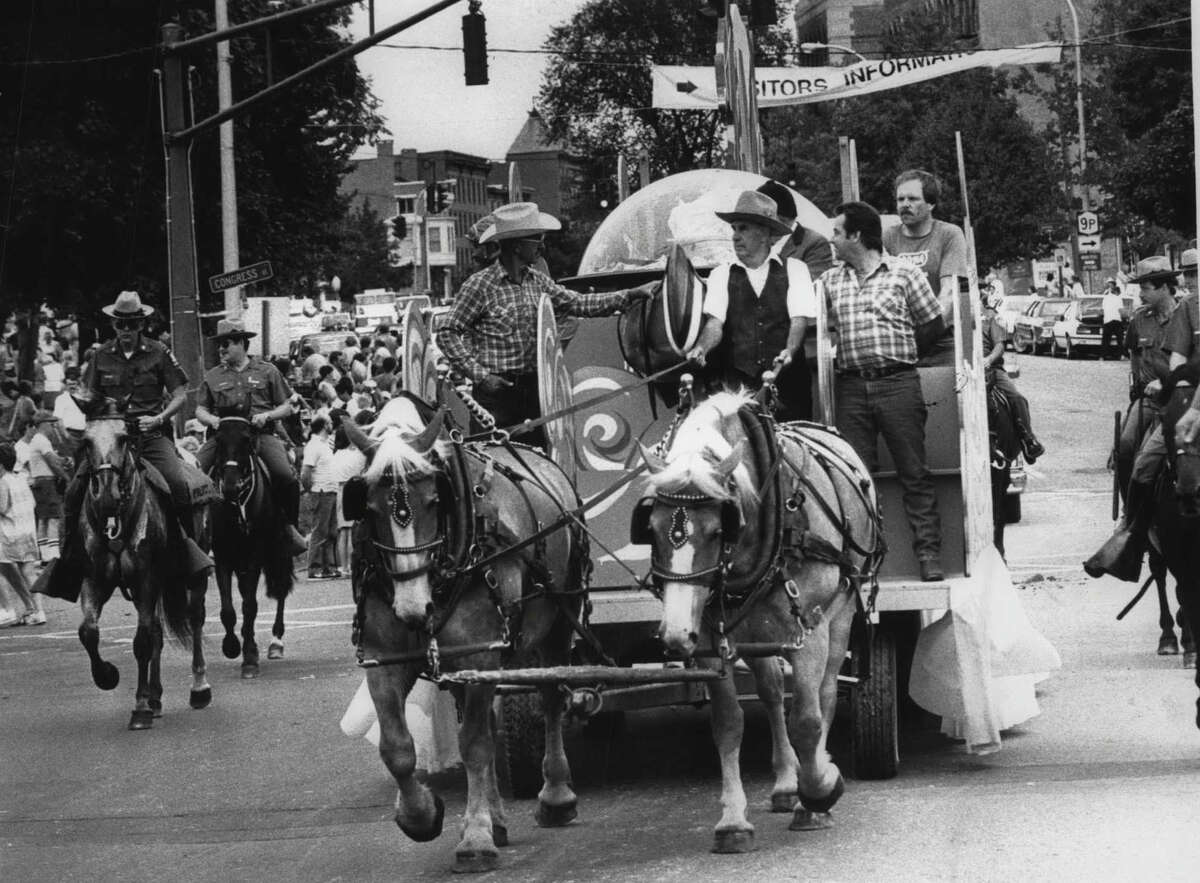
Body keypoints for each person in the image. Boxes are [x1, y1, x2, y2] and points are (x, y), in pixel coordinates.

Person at [38, 291, 210, 601]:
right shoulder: (101, 355)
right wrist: (89, 411)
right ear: (114, 326)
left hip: (150, 435)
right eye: (120, 325)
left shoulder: (159, 352)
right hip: (109, 437)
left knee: (177, 486)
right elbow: (89, 395)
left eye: (131, 324)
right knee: (74, 491)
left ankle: (185, 554)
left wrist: (158, 418)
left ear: (141, 324)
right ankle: (67, 564)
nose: (126, 331)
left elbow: (181, 393)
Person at [437, 201, 653, 447]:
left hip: (535, 390)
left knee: (540, 464)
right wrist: (481, 376)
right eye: (537, 239)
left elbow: (579, 303)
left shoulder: (537, 281)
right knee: (492, 463)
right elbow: (447, 332)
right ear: (518, 246)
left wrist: (630, 295)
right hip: (496, 396)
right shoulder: (480, 285)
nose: (542, 245)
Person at [822, 201, 947, 582]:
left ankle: (928, 554)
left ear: (857, 235)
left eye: (837, 233)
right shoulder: (830, 281)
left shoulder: (905, 275)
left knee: (914, 472)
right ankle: (863, 559)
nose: (832, 240)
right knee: (854, 478)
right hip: (851, 388)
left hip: (898, 384)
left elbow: (932, 326)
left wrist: (900, 360)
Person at [1084, 257, 1180, 582]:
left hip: (1182, 397)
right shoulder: (1139, 320)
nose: (1139, 294)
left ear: (1166, 286)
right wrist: (1138, 395)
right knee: (1126, 450)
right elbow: (1132, 361)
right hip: (1149, 401)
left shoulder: (1186, 315)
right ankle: (1131, 523)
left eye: (1146, 287)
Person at [685, 189, 818, 420]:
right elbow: (715, 323)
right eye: (734, 229)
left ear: (766, 233)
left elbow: (799, 320)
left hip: (789, 388)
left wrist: (789, 350)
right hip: (737, 388)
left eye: (743, 228)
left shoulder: (796, 269)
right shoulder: (721, 274)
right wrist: (701, 348)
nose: (735, 236)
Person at [194, 319, 308, 556]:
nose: (221, 349)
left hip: (259, 436)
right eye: (219, 345)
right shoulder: (212, 375)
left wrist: (267, 416)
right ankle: (195, 537)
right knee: (193, 476)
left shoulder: (267, 370)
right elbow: (200, 410)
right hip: (223, 438)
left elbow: (287, 406)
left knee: (286, 476)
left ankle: (289, 531)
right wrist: (211, 420)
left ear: (241, 343)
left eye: (226, 344)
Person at [882, 169, 968, 366]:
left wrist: (926, 332)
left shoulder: (949, 235)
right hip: (898, 337)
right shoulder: (887, 237)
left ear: (931, 203)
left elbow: (949, 293)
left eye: (913, 199)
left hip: (940, 338)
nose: (905, 205)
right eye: (900, 199)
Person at [981, 297, 1044, 462]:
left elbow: (1000, 345)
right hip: (964, 371)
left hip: (990, 368)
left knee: (1016, 397)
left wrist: (988, 360)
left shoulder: (990, 319)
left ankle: (1028, 440)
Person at [0, 443, 46, 626]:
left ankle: (7, 609)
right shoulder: (20, 478)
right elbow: (33, 503)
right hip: (27, 530)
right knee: (27, 571)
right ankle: (36, 610)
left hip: (9, 533)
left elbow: (2, 507)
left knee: (3, 570)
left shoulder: (2, 482)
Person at [756, 179, 835, 280]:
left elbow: (810, 287)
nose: (755, 224)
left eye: (759, 219)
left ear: (777, 218)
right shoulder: (758, 241)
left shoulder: (815, 244)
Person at [22, 411, 68, 563]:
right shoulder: (42, 440)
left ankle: (44, 554)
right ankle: (54, 555)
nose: (53, 427)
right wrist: (66, 477)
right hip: (46, 481)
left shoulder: (36, 440)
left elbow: (54, 459)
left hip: (38, 480)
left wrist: (64, 460)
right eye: (51, 424)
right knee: (53, 518)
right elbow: (52, 462)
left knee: (43, 518)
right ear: (43, 424)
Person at [301, 414, 338, 579]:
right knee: (319, 531)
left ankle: (328, 566)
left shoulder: (325, 444)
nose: (332, 425)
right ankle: (314, 567)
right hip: (321, 490)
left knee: (330, 532)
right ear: (324, 426)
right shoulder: (314, 445)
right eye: (329, 423)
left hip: (330, 490)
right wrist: (311, 489)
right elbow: (305, 472)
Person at [1100, 278, 1125, 360]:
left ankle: (1103, 356)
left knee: (1106, 340)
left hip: (1107, 320)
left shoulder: (1105, 298)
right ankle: (1121, 355)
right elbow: (1121, 310)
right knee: (1120, 339)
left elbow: (1103, 311)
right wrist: (1126, 316)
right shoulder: (1118, 298)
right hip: (1117, 320)